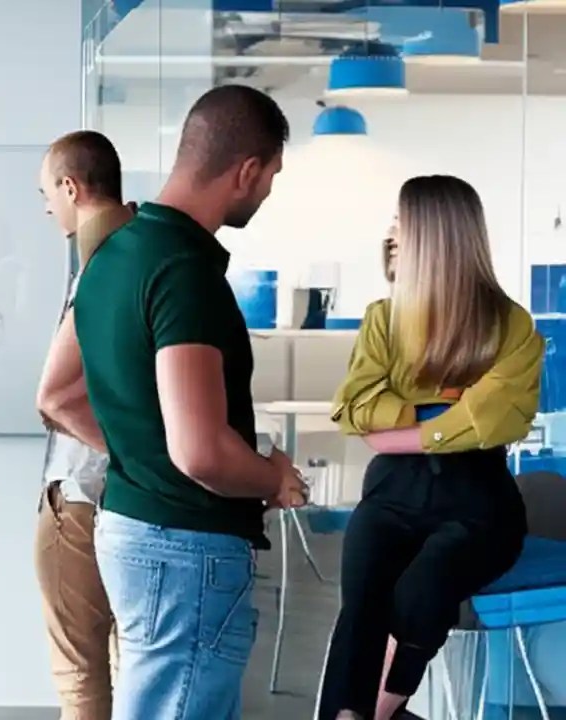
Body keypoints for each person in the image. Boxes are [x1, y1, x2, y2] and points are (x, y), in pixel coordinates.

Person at [72, 84, 308, 720]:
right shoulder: (184, 269)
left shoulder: (111, 252)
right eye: (271, 177)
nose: (266, 192)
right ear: (247, 171)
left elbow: (59, 393)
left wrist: (139, 451)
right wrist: (272, 478)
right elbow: (201, 450)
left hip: (130, 525)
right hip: (186, 548)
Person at [320, 175, 543, 720]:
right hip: (392, 491)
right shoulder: (384, 319)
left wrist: (403, 429)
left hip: (479, 498)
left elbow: (498, 421)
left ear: (431, 234)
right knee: (363, 600)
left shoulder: (511, 326)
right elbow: (354, 410)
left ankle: (378, 710)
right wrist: (451, 415)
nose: (391, 229)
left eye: (400, 218)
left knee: (426, 583)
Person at [33, 129, 133, 720]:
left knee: (80, 673)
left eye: (49, 192)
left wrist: (132, 457)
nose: (48, 206)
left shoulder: (100, 266)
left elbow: (54, 398)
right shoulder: (147, 252)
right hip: (133, 499)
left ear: (72, 187)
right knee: (132, 664)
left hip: (82, 491)